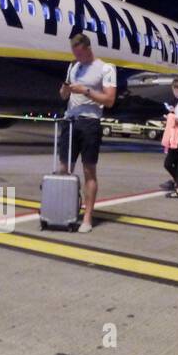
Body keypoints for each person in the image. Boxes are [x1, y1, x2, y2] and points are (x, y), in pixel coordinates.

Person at [57, 31, 117, 232]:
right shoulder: (73, 67)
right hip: (70, 120)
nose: (78, 59)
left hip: (90, 122)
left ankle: (87, 217)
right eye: (75, 55)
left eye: (81, 55)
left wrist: (86, 91)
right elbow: (64, 95)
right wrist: (65, 91)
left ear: (88, 49)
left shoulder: (105, 68)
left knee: (89, 171)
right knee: (63, 169)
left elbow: (109, 100)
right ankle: (65, 211)